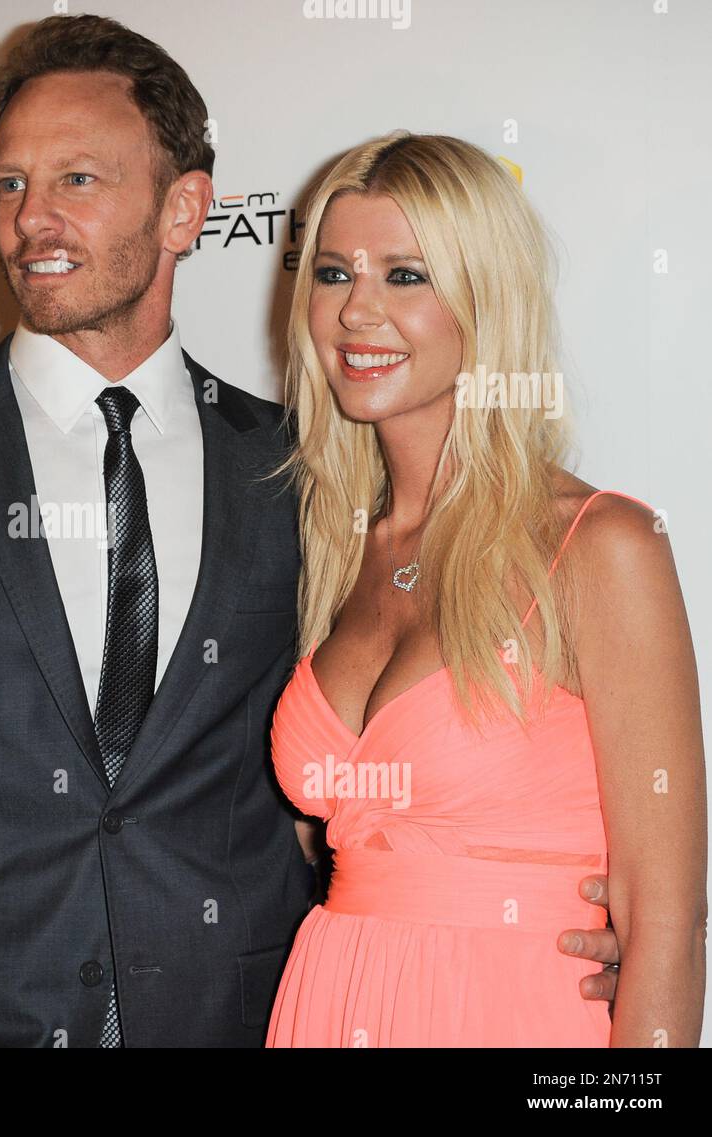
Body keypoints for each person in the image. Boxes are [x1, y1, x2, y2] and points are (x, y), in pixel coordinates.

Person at [0, 15, 622, 1047]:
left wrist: (568, 914)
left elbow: (404, 763)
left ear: (185, 208)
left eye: (78, 181)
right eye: (10, 183)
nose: (31, 220)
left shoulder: (305, 472)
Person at [265, 132, 706, 1047]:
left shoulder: (598, 545)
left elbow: (666, 925)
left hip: (513, 1016)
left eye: (407, 276)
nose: (358, 312)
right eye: (336, 273)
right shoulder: (332, 544)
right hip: (332, 1002)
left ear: (486, 298)